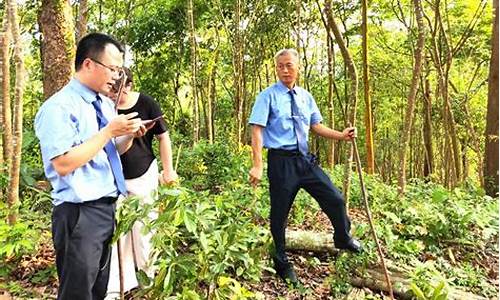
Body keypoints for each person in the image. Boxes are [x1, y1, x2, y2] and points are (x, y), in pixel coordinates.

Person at [35, 33, 144, 299]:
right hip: (79, 213)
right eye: (113, 69)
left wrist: (128, 134)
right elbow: (62, 163)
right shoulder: (58, 107)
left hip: (106, 208)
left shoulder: (105, 105)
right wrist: (108, 131)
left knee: (96, 290)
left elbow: (108, 152)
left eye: (120, 70)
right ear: (88, 64)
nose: (117, 77)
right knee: (77, 293)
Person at [248, 48, 363, 286]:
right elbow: (257, 129)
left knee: (335, 199)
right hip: (280, 162)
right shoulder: (267, 96)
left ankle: (342, 237)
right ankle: (281, 262)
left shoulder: (305, 97)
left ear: (298, 67)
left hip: (305, 160)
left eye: (289, 65)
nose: (285, 70)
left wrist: (342, 135)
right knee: (279, 215)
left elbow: (316, 126)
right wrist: (257, 165)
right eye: (280, 66)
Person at [105, 67, 178, 298]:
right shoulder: (106, 106)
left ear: (129, 85)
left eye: (120, 88)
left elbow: (162, 136)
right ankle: (120, 285)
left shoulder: (146, 102)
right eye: (112, 89)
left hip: (144, 172)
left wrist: (169, 171)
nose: (116, 94)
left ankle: (148, 279)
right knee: (120, 231)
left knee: (145, 228)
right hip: (114, 177)